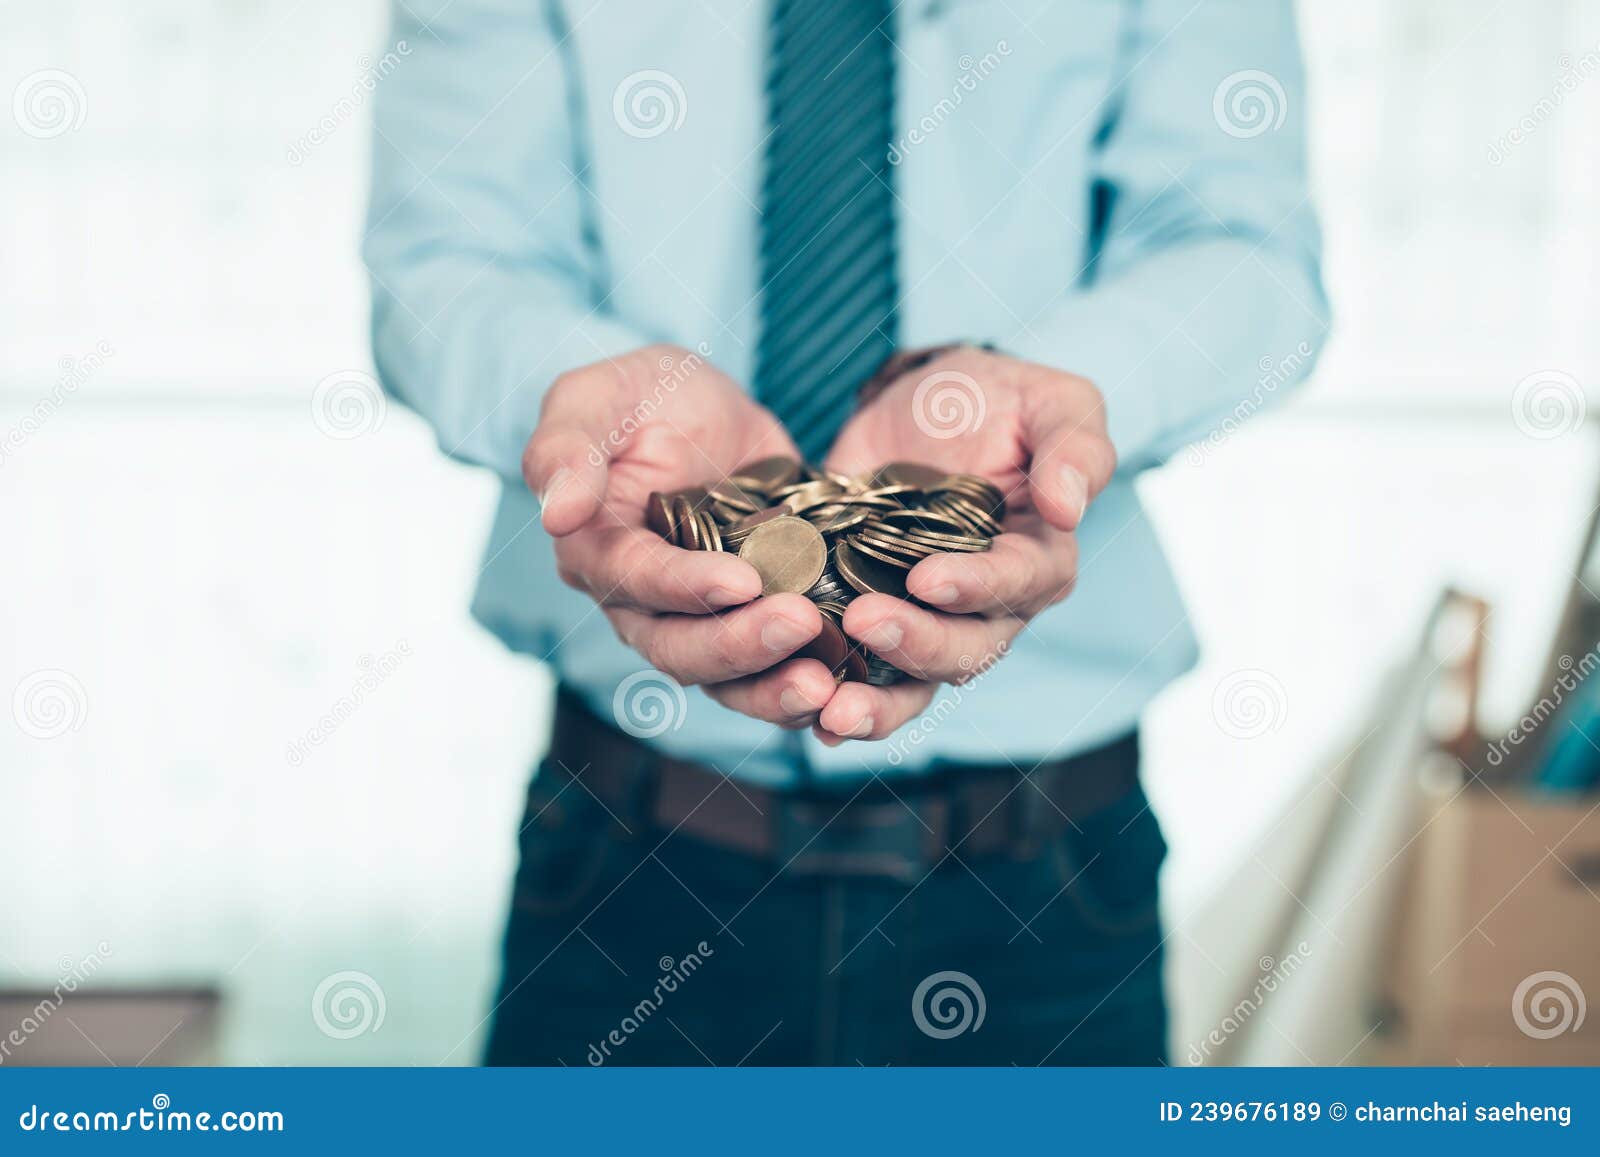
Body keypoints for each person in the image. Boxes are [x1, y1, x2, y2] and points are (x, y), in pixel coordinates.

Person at [364, 0, 1326, 1065]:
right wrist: (577, 407)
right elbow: (449, 261)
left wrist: (1054, 394)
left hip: (1047, 877)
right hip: (624, 864)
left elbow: (1241, 248)